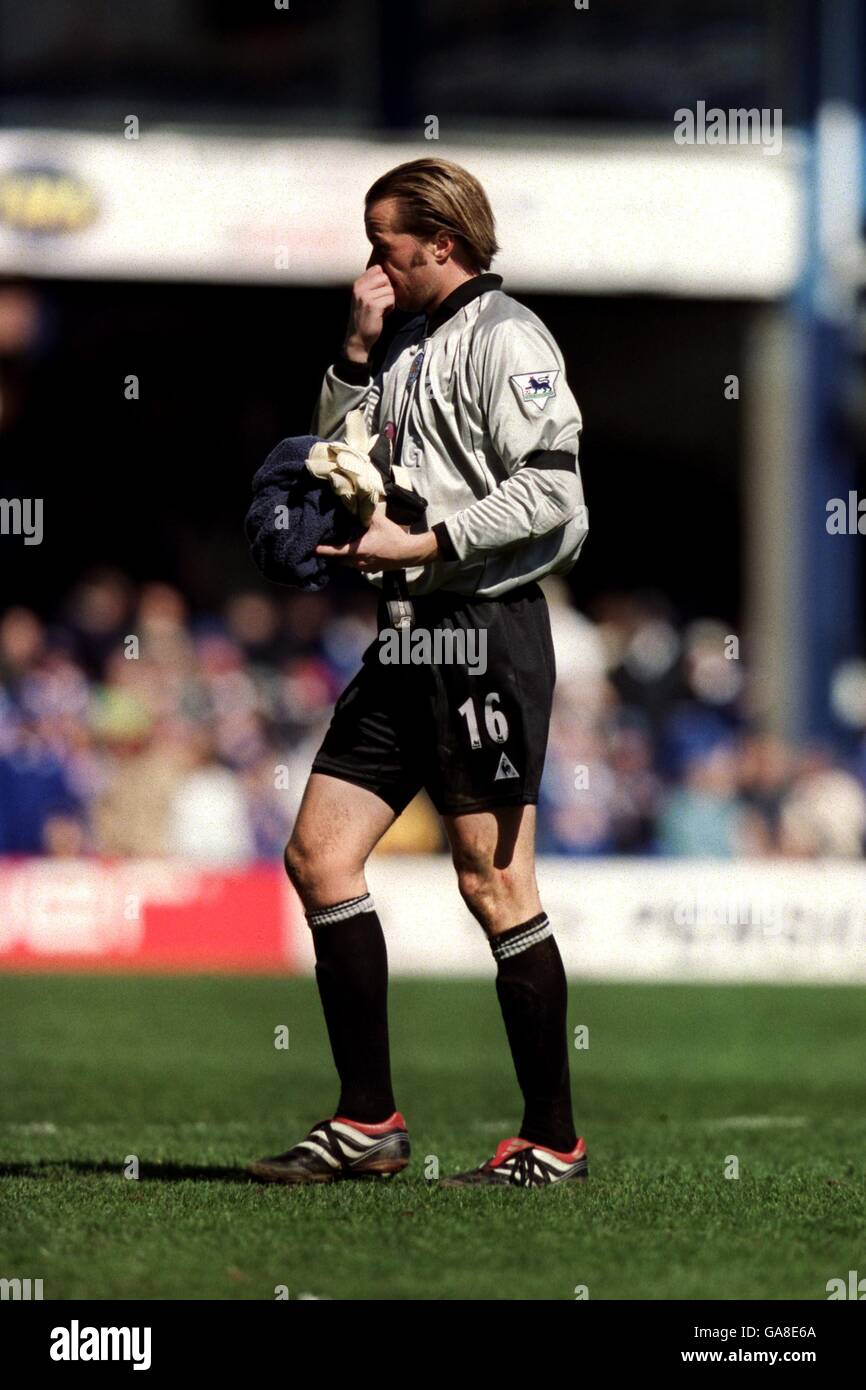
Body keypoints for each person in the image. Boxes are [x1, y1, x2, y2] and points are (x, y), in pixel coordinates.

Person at [249, 157, 590, 1188]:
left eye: (380, 238)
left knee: (492, 880)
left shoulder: (507, 339)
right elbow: (336, 457)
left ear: (439, 241)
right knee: (318, 855)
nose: (370, 259)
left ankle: (551, 1141)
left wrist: (430, 541)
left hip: (481, 629)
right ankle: (366, 1124)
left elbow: (557, 499)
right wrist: (353, 354)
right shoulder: (403, 346)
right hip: (406, 634)